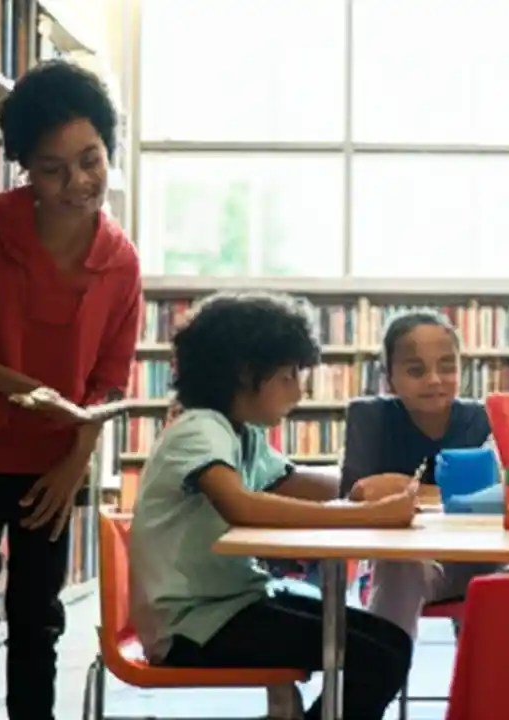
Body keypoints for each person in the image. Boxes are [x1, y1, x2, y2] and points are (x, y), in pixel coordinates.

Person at [0, 60, 140, 719]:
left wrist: (73, 461)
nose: (78, 182)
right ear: (25, 166)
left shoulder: (121, 260)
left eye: (91, 159)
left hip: (53, 461)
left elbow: (108, 385)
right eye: (53, 168)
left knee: (38, 615)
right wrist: (33, 392)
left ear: (108, 149)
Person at [129, 292, 416, 720]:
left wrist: (365, 484)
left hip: (233, 602)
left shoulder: (239, 432)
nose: (299, 391)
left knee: (391, 644)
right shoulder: (198, 427)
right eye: (289, 376)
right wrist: (364, 515)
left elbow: (291, 482)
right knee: (376, 658)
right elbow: (240, 505)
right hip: (193, 626)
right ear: (247, 373)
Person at [340, 311, 497, 639]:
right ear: (388, 377)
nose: (434, 380)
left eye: (447, 367)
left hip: (476, 563)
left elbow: (497, 500)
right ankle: (380, 676)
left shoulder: (481, 418)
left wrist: (405, 492)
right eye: (415, 370)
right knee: (402, 567)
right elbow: (353, 496)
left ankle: (489, 685)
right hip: (401, 565)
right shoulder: (370, 417)